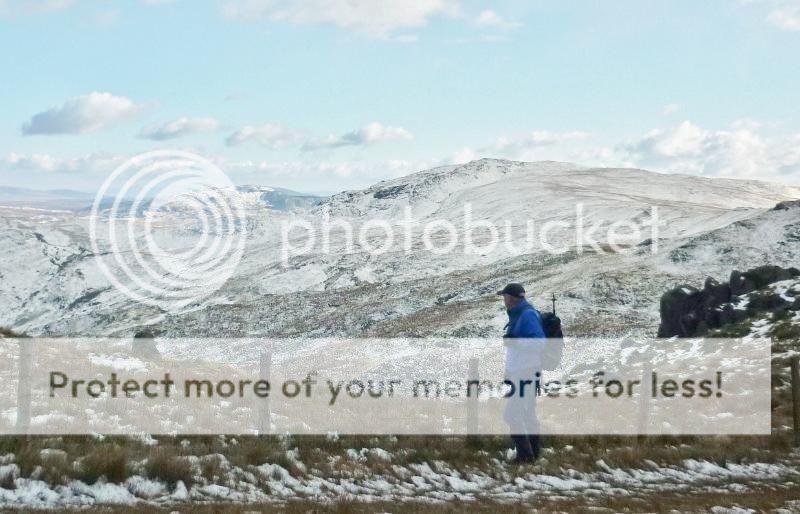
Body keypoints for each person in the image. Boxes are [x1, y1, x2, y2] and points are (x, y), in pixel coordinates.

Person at [497, 283, 545, 464]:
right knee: (527, 414)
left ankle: (525, 455)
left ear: (511, 298)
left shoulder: (527, 315)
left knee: (511, 415)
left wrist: (516, 343)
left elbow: (540, 343)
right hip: (524, 371)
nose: (504, 300)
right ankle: (533, 453)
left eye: (505, 296)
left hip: (527, 372)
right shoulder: (520, 314)